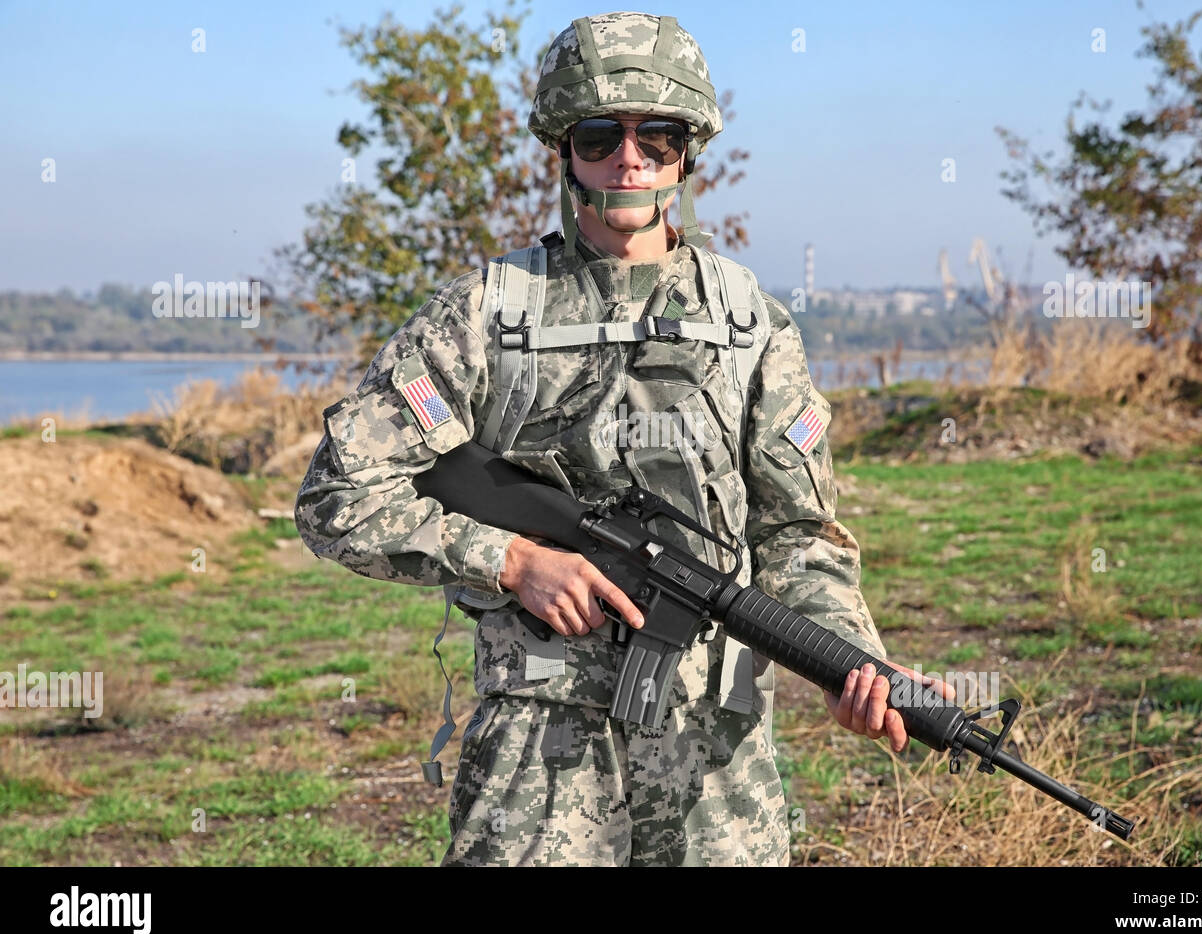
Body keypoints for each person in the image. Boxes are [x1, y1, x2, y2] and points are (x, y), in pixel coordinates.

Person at [296, 11, 935, 866]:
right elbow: (337, 497)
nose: (629, 158)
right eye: (600, 135)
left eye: (657, 136)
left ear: (687, 152)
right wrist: (510, 561)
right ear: (563, 149)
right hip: (539, 759)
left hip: (718, 762)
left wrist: (853, 666)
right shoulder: (487, 313)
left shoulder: (750, 323)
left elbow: (797, 535)